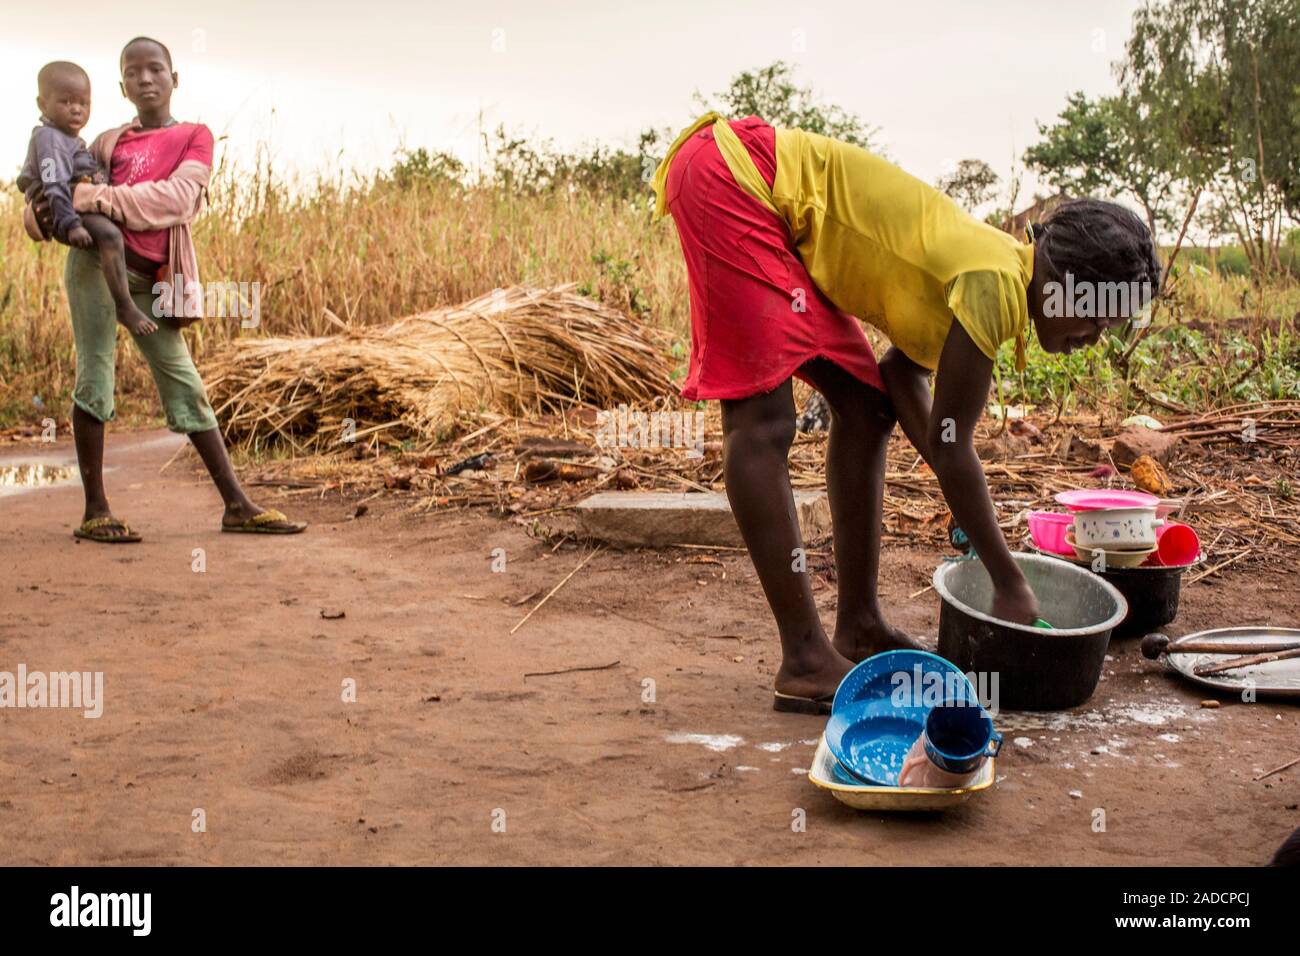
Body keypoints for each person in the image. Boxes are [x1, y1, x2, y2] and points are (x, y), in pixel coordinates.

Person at [653, 113, 1159, 713]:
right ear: (1071, 283)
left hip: (760, 196)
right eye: (1098, 317)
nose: (1094, 336)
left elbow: (901, 384)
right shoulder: (993, 281)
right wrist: (1008, 578)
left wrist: (958, 486)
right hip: (734, 178)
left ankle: (860, 625)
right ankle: (805, 658)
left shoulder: (994, 274)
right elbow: (951, 444)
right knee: (762, 421)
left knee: (865, 408)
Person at [24, 36, 305, 542]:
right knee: (96, 371)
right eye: (133, 72)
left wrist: (93, 196)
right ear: (122, 86)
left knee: (183, 378)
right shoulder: (106, 141)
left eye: (155, 69)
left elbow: (175, 201)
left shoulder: (195, 137)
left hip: (151, 278)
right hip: (94, 267)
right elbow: (54, 189)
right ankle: (96, 511)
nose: (145, 79)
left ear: (174, 79)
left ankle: (237, 505)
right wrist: (38, 212)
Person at [18, 61, 158, 337]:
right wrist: (70, 224)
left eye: (84, 103)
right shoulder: (49, 138)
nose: (76, 109)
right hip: (62, 207)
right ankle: (124, 306)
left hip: (75, 200)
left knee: (116, 230)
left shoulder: (68, 138)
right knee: (110, 236)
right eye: (66, 101)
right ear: (42, 104)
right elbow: (53, 183)